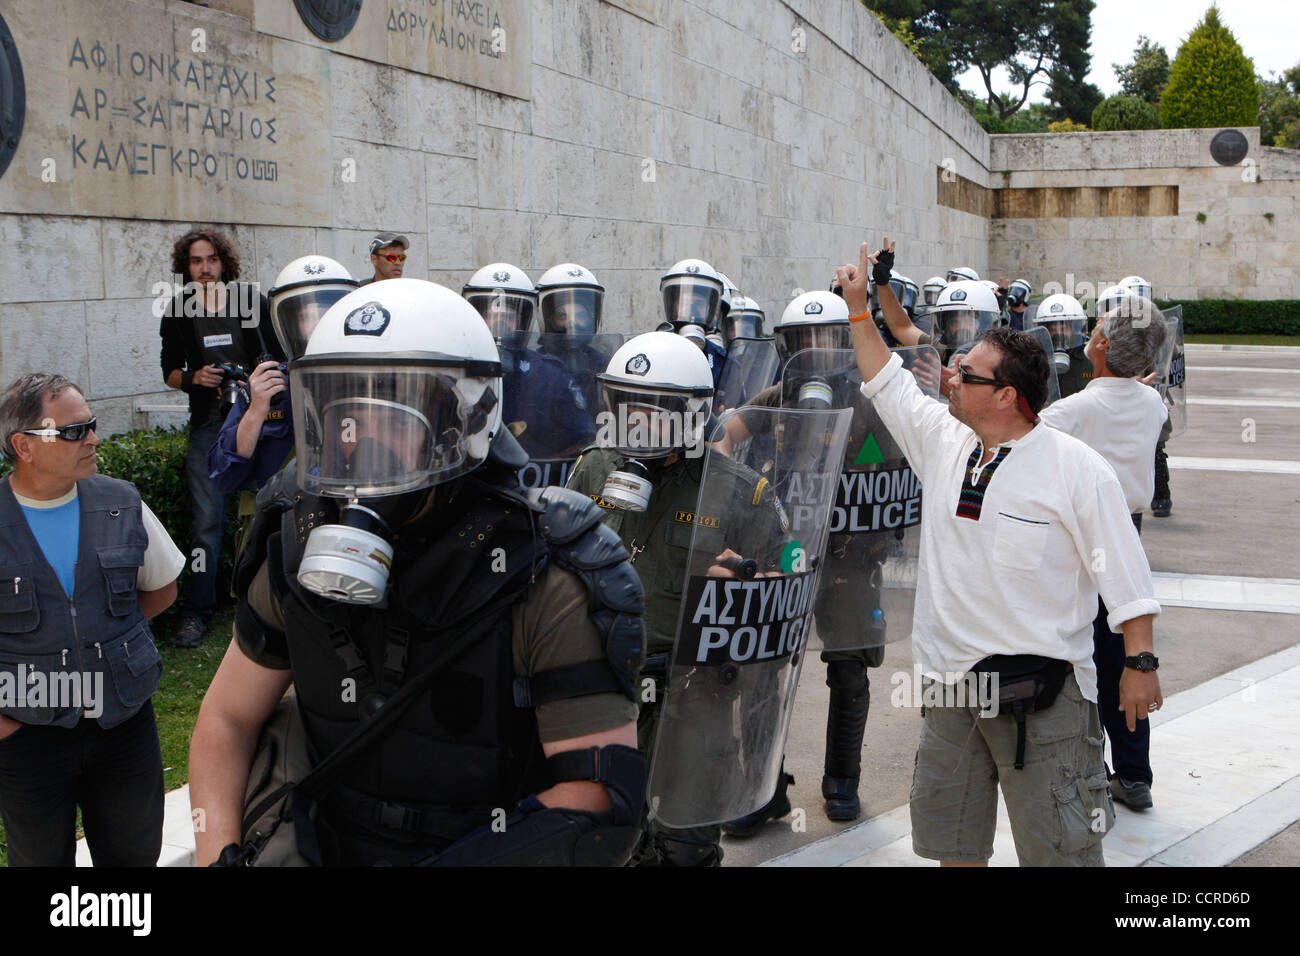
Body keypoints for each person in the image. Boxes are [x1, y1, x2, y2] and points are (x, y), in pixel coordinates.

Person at [188, 279, 645, 866]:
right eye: (344, 417)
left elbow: (597, 799)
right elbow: (227, 717)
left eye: (392, 417)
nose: (361, 447)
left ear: (464, 426)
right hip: (326, 841)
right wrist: (215, 854)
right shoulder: (295, 543)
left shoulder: (547, 570)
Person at [842, 238, 1162, 867]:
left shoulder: (1076, 470)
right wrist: (860, 308)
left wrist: (1139, 663)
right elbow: (884, 378)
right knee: (954, 850)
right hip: (951, 691)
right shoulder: (943, 439)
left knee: (1061, 855)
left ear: (1009, 396)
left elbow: (1125, 576)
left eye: (968, 375)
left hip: (1044, 700)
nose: (950, 379)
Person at [566, 331, 789, 866]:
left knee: (683, 848)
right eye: (626, 405)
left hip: (693, 695)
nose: (636, 422)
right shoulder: (593, 469)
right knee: (604, 840)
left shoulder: (740, 490)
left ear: (690, 413)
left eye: (654, 409)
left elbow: (789, 583)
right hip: (607, 690)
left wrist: (749, 589)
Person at [716, 289, 926, 830]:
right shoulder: (779, 394)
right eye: (801, 340)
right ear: (787, 346)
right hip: (783, 553)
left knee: (850, 667)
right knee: (761, 668)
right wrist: (734, 488)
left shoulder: (869, 400)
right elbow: (724, 437)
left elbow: (908, 458)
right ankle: (761, 788)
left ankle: (842, 782)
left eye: (823, 339)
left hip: (851, 558)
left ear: (842, 342)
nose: (813, 349)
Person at [0, 373, 184, 866]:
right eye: (74, 431)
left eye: (92, 425)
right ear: (25, 445)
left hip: (123, 725)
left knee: (133, 859)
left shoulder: (121, 502)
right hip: (27, 733)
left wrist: (109, 634)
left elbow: (163, 587)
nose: (94, 439)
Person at [1039, 296, 1168, 812]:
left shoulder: (1072, 411)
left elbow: (1026, 439)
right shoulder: (1152, 403)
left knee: (1078, 656)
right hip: (1129, 536)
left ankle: (1085, 767)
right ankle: (1134, 773)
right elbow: (1131, 398)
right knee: (1120, 655)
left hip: (1079, 541)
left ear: (1100, 344)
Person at [160, 227, 270, 647]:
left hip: (259, 421)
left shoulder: (249, 302)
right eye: (195, 261)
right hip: (208, 424)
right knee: (206, 524)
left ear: (224, 262)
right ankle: (196, 613)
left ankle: (263, 604)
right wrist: (193, 376)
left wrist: (253, 384)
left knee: (265, 515)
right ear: (185, 267)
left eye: (211, 260)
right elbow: (169, 370)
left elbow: (272, 356)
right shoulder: (179, 309)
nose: (204, 268)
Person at [208, 255, 358, 495]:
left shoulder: (368, 381)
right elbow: (223, 476)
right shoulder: (266, 385)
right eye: (306, 317)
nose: (317, 324)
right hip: (279, 521)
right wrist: (257, 409)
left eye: (326, 313)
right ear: (288, 323)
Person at [463, 262, 595, 469]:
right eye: (491, 316)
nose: (499, 326)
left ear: (523, 320)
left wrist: (549, 468)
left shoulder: (549, 374)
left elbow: (583, 438)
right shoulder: (457, 369)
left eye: (508, 317)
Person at [658, 258, 729, 388]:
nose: (692, 310)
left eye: (699, 303)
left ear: (710, 309)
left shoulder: (724, 362)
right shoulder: (655, 350)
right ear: (673, 306)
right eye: (686, 303)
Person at [1030, 293, 1092, 398]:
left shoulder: (1091, 360)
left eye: (1063, 328)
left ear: (1074, 330)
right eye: (1052, 329)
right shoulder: (1034, 361)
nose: (1057, 334)